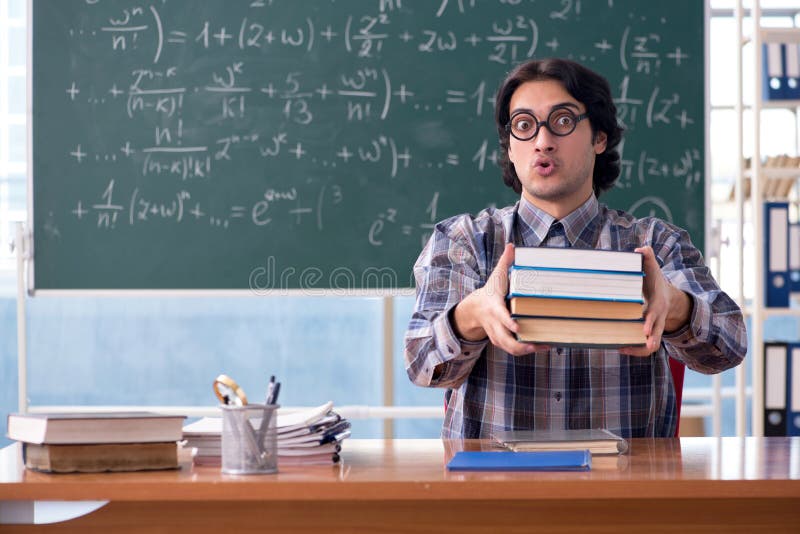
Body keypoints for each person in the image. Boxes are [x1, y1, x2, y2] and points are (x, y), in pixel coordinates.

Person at [404, 58, 746, 439]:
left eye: (563, 121)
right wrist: (472, 314)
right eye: (523, 126)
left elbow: (730, 347)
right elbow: (420, 364)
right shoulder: (464, 241)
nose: (542, 141)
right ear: (510, 148)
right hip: (495, 489)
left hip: (624, 490)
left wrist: (676, 306)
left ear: (599, 137)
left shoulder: (655, 244)